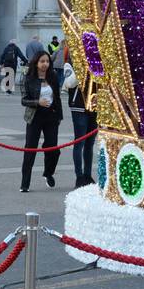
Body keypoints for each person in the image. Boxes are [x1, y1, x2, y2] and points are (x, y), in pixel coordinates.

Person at [20, 51, 62, 192]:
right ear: (36, 63)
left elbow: (57, 97)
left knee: (52, 148)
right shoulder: (29, 77)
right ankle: (25, 183)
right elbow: (23, 100)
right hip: (34, 117)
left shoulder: (53, 76)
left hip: (51, 117)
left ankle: (48, 173)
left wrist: (59, 116)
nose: (45, 64)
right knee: (30, 148)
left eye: (47, 61)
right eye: (42, 61)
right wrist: (37, 102)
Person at [64, 49, 97, 187]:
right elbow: (69, 83)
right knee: (79, 142)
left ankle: (88, 175)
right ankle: (79, 176)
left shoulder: (95, 62)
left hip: (94, 106)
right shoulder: (69, 64)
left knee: (89, 144)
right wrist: (82, 66)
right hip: (78, 106)